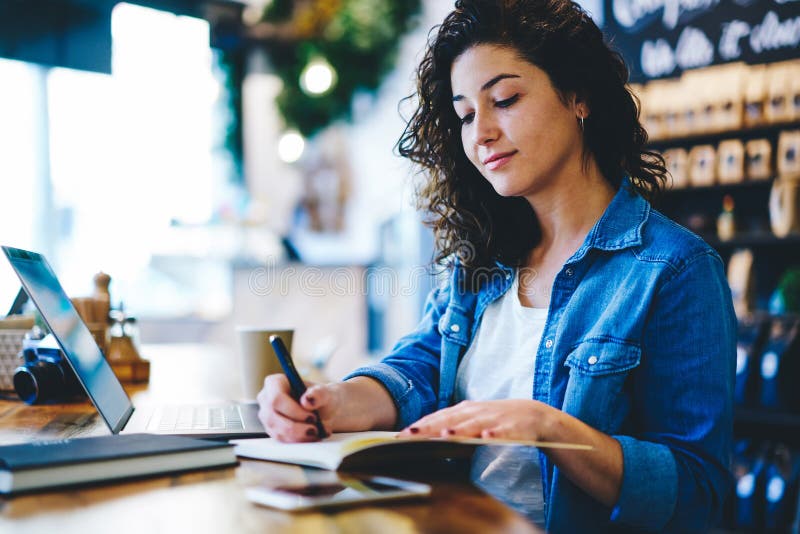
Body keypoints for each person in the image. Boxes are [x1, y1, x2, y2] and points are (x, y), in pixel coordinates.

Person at [256, 0, 736, 531]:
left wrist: (547, 428)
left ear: (578, 96)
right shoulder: (481, 260)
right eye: (465, 114)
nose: (480, 132)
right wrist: (331, 402)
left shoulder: (675, 270)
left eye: (503, 99)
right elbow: (417, 368)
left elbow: (698, 494)